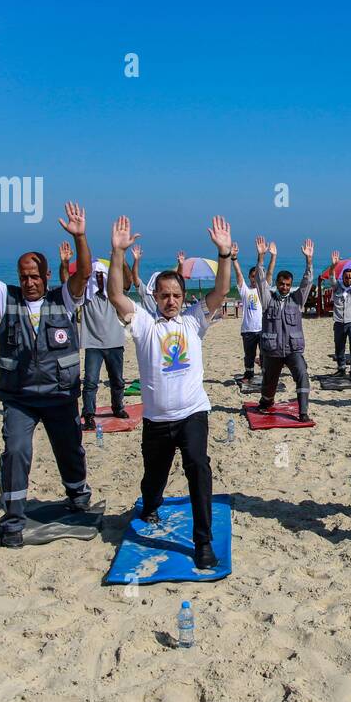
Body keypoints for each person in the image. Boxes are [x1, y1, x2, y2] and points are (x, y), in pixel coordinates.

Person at [0, 200, 93, 548]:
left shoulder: (65, 299)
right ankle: (13, 518)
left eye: (35, 276)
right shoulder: (4, 298)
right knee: (16, 451)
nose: (29, 282)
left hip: (60, 396)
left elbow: (83, 273)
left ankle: (77, 495)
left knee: (69, 449)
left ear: (46, 277)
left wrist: (81, 237)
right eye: (24, 276)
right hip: (20, 399)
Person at [106, 215, 232, 570]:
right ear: (155, 297)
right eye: (165, 295)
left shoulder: (194, 320)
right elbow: (115, 293)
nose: (171, 300)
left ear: (184, 297)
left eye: (177, 295)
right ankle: (150, 504)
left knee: (198, 468)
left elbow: (221, 292)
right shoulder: (144, 324)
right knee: (154, 479)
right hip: (157, 421)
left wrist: (224, 255)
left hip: (193, 412)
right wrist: (118, 253)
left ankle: (202, 542)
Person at [59, 242, 132, 430]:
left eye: (102, 275)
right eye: (96, 275)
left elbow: (128, 282)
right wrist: (65, 263)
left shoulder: (114, 295)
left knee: (118, 380)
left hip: (115, 342)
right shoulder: (84, 295)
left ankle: (118, 407)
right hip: (93, 344)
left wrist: (122, 261)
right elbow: (66, 284)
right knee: (90, 382)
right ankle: (89, 414)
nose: (99, 279)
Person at [256, 239, 314, 421]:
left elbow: (307, 282)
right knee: (269, 384)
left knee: (303, 374)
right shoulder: (268, 300)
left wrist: (309, 261)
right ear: (277, 283)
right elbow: (260, 281)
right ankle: (266, 401)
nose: (284, 287)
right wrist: (261, 257)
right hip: (272, 351)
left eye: (288, 285)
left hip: (293, 350)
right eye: (281, 284)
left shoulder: (297, 300)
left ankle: (303, 411)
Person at [232, 237, 271, 385]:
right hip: (248, 330)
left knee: (264, 355)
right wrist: (234, 258)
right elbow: (238, 274)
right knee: (249, 355)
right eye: (252, 276)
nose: (255, 279)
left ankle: (266, 373)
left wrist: (265, 256)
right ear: (249, 277)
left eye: (256, 276)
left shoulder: (264, 290)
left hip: (262, 328)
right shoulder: (245, 291)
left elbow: (267, 272)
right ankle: (248, 373)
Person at [330, 250, 351, 380]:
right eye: (346, 277)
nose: (348, 279)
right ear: (342, 277)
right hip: (339, 322)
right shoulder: (337, 287)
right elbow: (331, 277)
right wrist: (333, 265)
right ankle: (341, 369)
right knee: (339, 347)